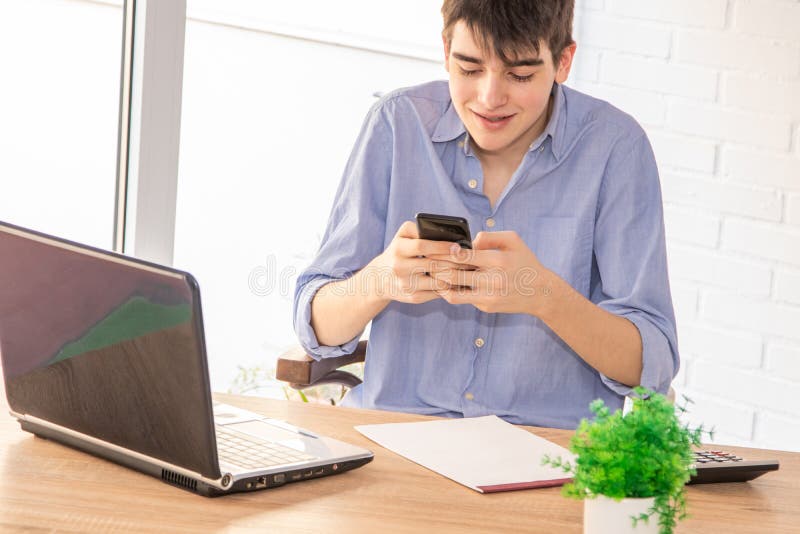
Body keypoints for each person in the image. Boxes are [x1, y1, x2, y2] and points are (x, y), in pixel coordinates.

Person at [293, 0, 678, 429]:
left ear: (564, 61)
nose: (489, 98)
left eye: (520, 74)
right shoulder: (397, 125)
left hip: (544, 455)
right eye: (469, 68)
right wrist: (380, 279)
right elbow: (316, 325)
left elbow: (652, 363)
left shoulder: (614, 148)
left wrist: (544, 296)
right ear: (445, 51)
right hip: (395, 438)